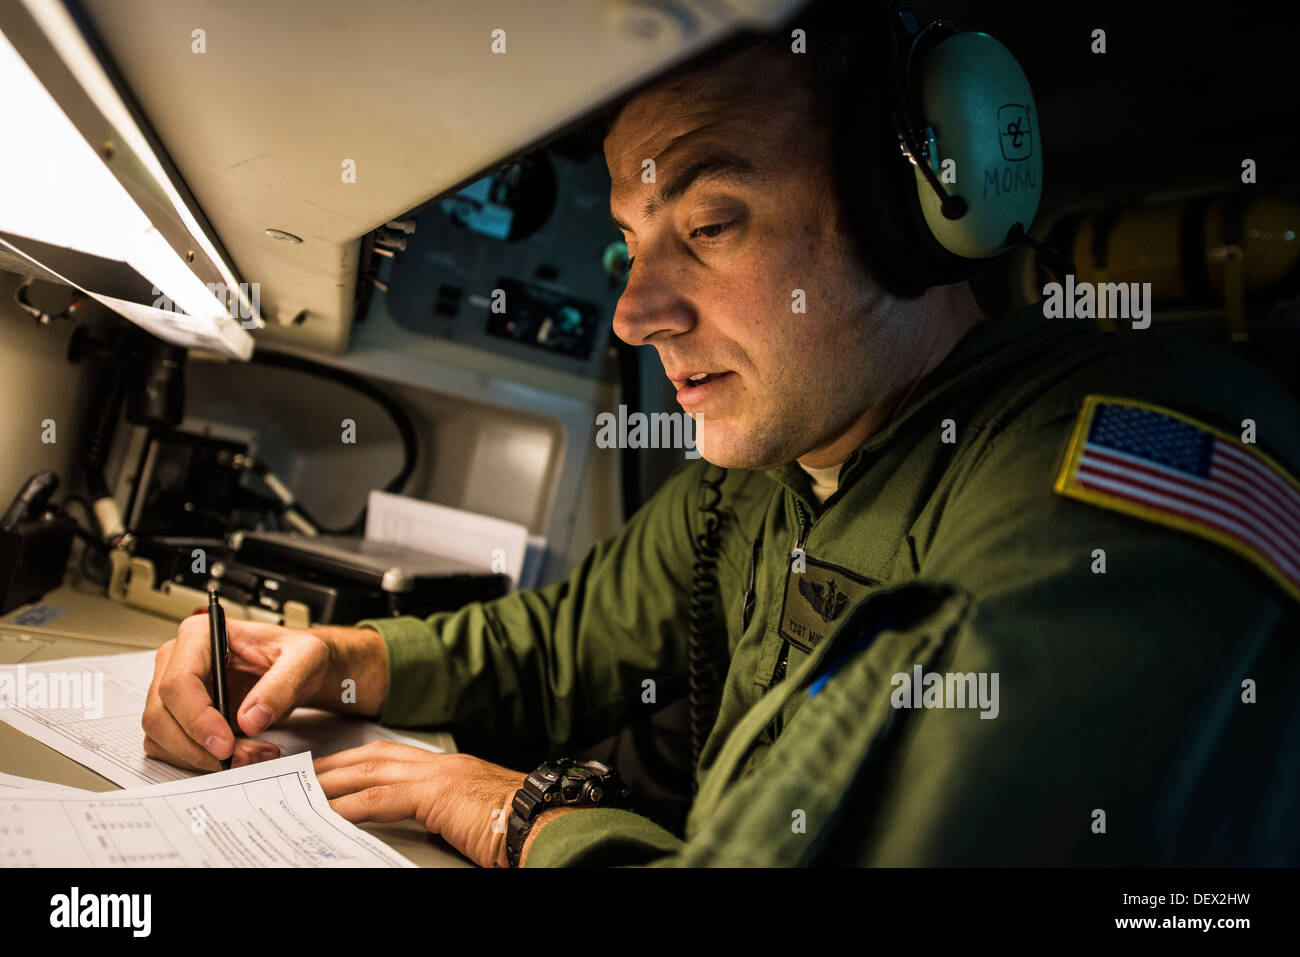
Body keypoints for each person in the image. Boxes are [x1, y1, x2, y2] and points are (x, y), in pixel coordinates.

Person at [141, 19, 1300, 867]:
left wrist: (519, 819)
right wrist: (342, 661)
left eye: (710, 223)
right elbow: (561, 642)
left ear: (915, 211)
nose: (637, 315)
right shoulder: (756, 478)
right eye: (636, 246)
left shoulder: (1119, 473)